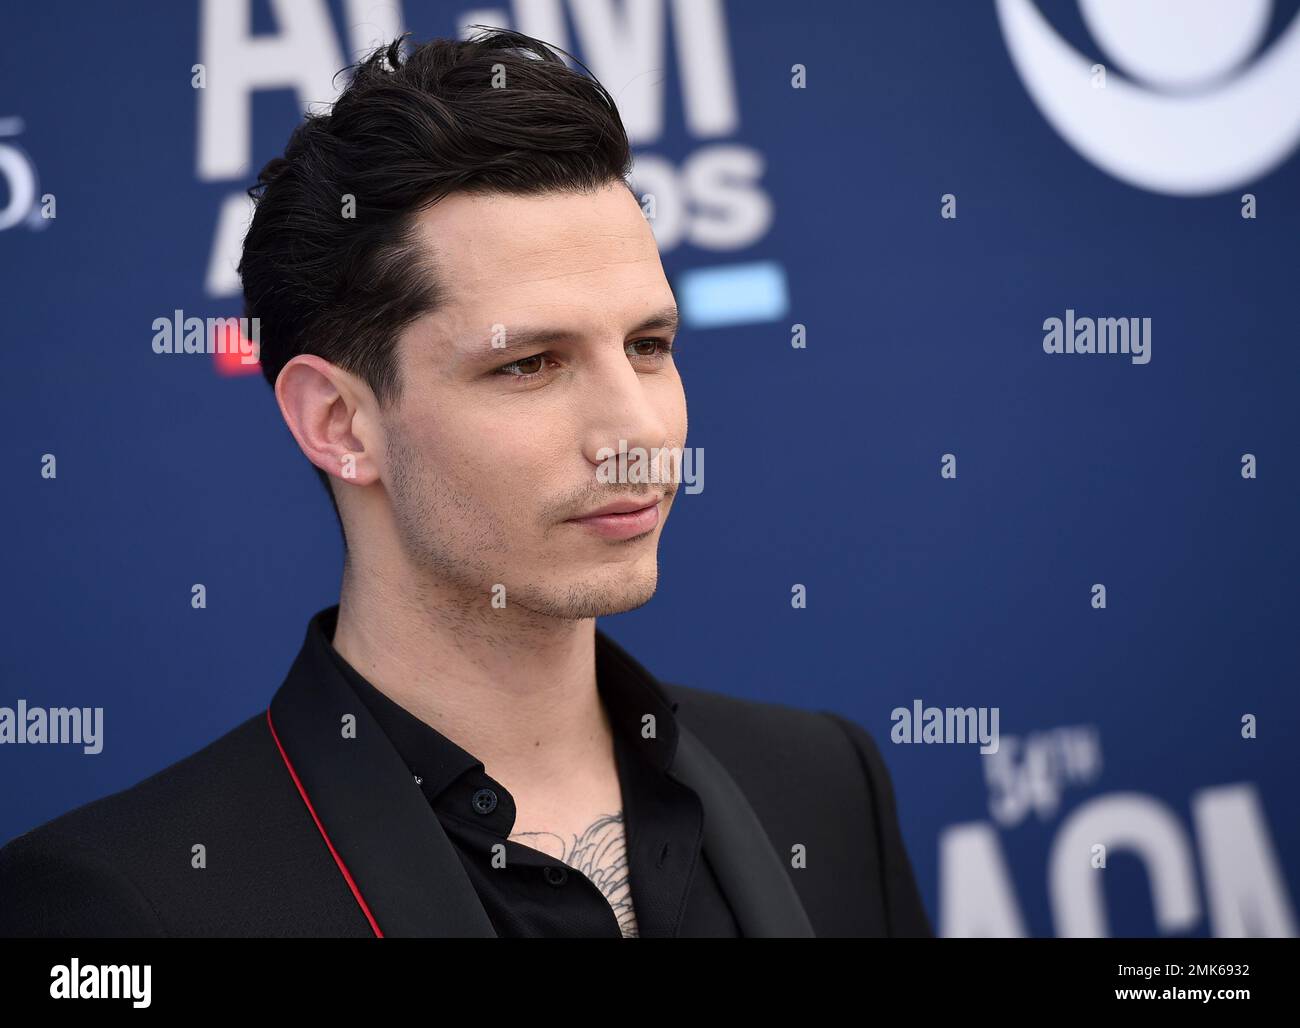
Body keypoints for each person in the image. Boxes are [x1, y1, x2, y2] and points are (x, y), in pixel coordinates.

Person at [0, 28, 931, 938]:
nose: (638, 432)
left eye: (648, 347)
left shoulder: (822, 785)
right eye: (529, 364)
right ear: (338, 423)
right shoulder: (128, 903)